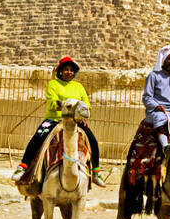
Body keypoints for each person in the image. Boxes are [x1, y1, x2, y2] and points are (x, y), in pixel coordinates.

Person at [12, 56, 106, 186]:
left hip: (74, 120)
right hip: (54, 118)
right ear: (60, 71)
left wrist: (82, 115)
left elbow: (86, 104)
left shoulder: (78, 86)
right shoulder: (53, 84)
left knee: (92, 141)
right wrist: (66, 106)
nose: (69, 72)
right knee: (38, 136)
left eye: (71, 70)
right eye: (66, 69)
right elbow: (52, 102)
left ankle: (96, 172)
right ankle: (23, 166)